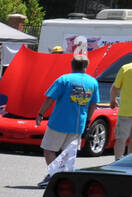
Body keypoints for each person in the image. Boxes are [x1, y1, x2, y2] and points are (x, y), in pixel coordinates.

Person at [36, 56, 98, 186]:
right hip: (78, 124)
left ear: (72, 65)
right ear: (86, 66)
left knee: (49, 149)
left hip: (59, 122)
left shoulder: (64, 79)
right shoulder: (93, 82)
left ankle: (55, 176)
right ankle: (64, 178)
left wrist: (40, 114)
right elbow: (93, 104)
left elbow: (49, 99)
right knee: (68, 153)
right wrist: (88, 121)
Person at [108, 58, 132, 160]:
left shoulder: (126, 68)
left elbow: (115, 88)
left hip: (125, 111)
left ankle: (117, 161)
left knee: (121, 139)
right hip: (125, 111)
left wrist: (113, 100)